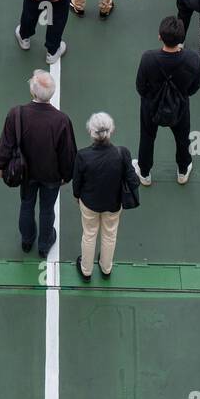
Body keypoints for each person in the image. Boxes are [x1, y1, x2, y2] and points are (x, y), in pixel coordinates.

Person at [0, 69, 77, 258]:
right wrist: (67, 175)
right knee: (47, 209)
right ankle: (44, 245)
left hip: (26, 173)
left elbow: (6, 145)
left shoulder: (16, 114)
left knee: (27, 204)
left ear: (32, 92)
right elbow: (68, 153)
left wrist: (0, 166)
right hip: (51, 175)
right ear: (52, 93)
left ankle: (27, 240)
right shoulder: (61, 121)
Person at [133, 15, 200, 185]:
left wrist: (152, 98)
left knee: (147, 137)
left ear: (159, 36)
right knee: (183, 137)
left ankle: (145, 173)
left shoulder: (148, 58)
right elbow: (195, 86)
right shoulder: (193, 59)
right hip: (180, 107)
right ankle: (183, 170)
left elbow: (140, 87)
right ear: (181, 38)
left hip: (151, 106)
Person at [73, 112, 138, 280]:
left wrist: (77, 196)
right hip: (113, 203)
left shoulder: (82, 155)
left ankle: (86, 270)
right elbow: (133, 179)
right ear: (111, 130)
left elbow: (77, 182)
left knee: (89, 234)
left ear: (91, 132)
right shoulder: (122, 153)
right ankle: (106, 268)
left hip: (89, 203)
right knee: (110, 235)